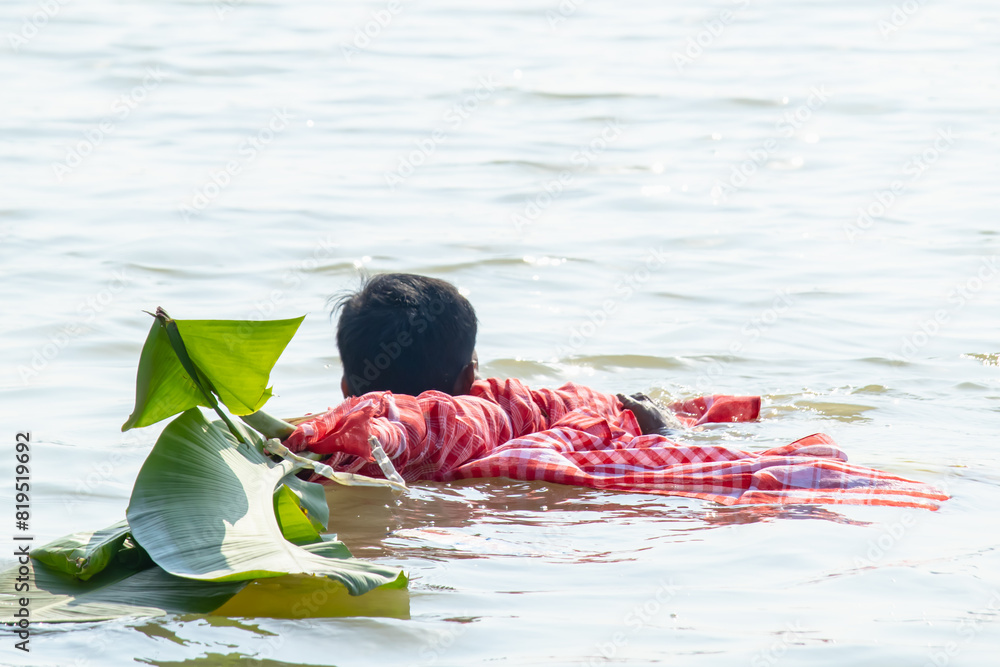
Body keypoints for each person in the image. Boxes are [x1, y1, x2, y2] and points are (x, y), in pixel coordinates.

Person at [283, 273, 947, 510]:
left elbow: (409, 424)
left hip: (615, 424)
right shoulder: (492, 403)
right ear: (470, 372)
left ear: (345, 383)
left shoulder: (458, 416)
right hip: (613, 422)